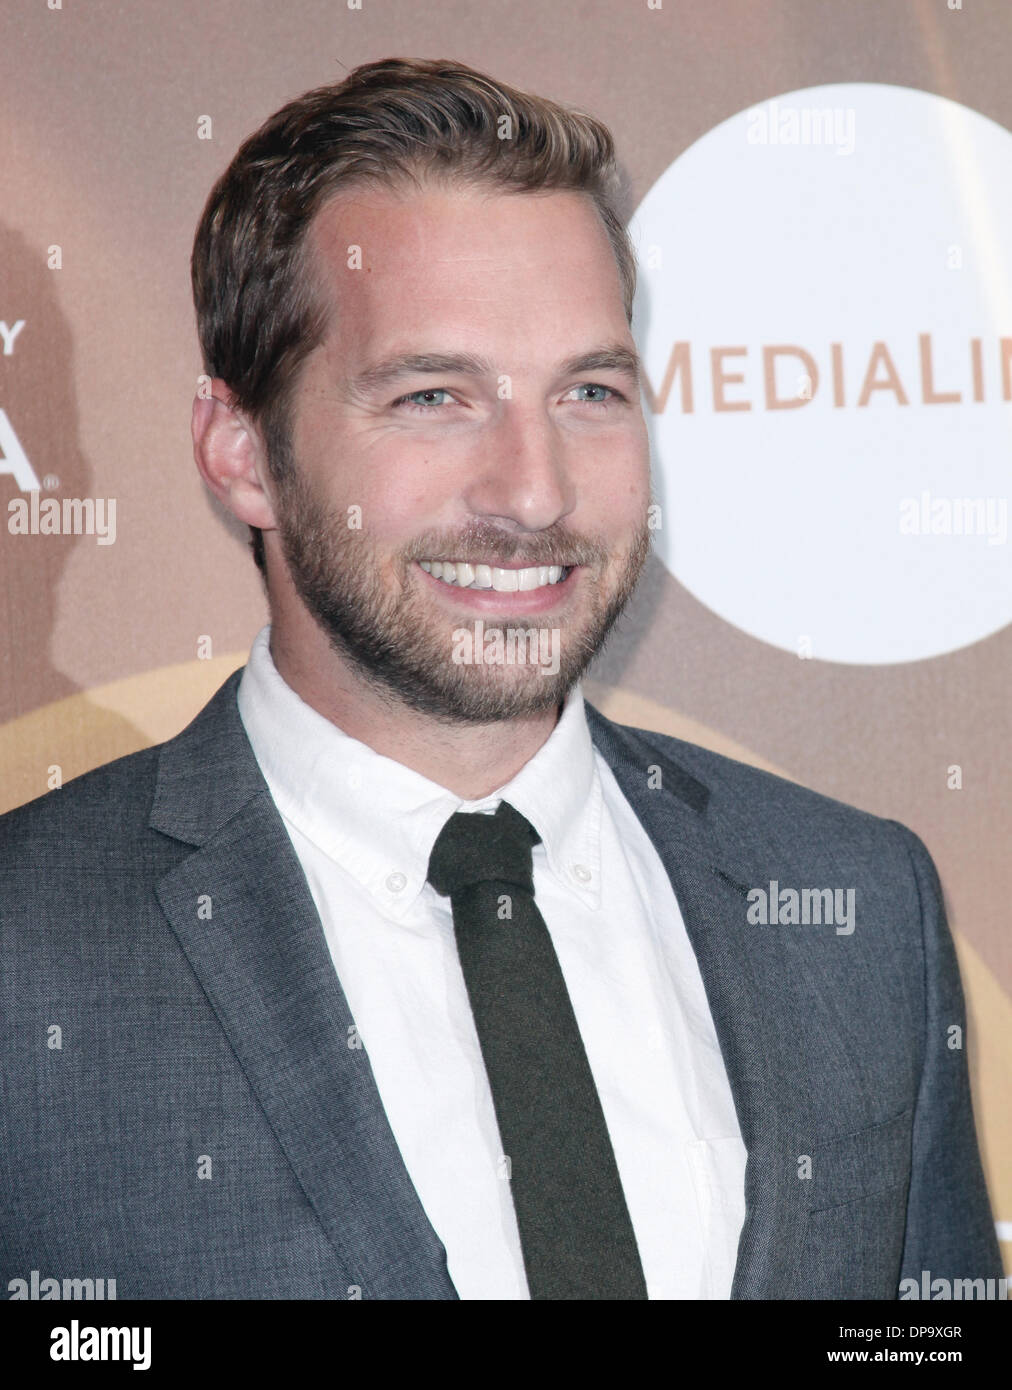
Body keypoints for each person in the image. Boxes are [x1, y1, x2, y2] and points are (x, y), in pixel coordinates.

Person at [0, 57, 1000, 1302]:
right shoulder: (25, 946)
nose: (533, 493)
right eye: (434, 396)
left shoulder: (854, 906)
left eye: (589, 391)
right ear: (242, 454)